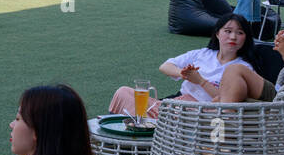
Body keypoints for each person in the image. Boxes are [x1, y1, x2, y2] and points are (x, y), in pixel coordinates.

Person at [108, 13, 268, 117]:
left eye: (240, 33)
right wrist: (182, 74)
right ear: (218, 33)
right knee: (123, 92)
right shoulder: (202, 54)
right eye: (228, 31)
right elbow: (165, 66)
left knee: (164, 113)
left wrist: (201, 81)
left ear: (245, 38)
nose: (233, 36)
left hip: (202, 112)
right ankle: (150, 124)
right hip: (174, 104)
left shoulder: (242, 68)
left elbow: (228, 102)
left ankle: (151, 126)